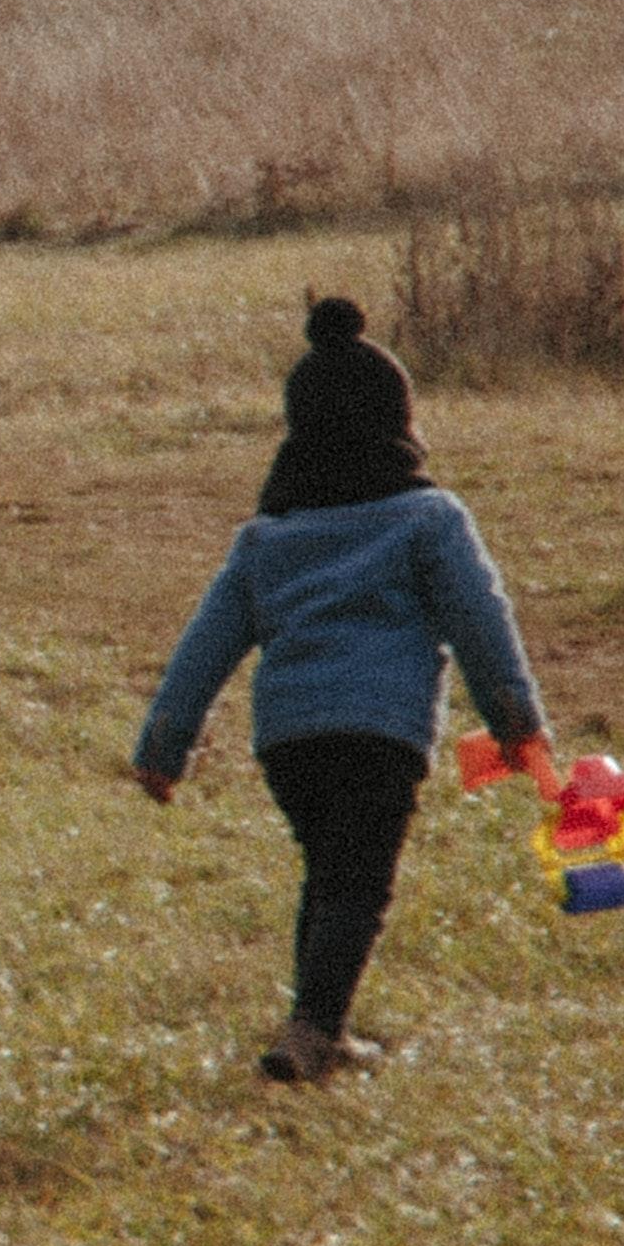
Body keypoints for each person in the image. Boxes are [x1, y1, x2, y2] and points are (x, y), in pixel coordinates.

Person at [130, 297, 551, 1085]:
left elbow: (204, 646)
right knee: (357, 881)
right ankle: (311, 1030)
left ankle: (321, 1027)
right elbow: (480, 621)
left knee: (329, 873)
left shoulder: (266, 539)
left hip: (289, 740)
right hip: (380, 733)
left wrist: (164, 749)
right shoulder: (428, 519)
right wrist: (517, 726)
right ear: (401, 422)